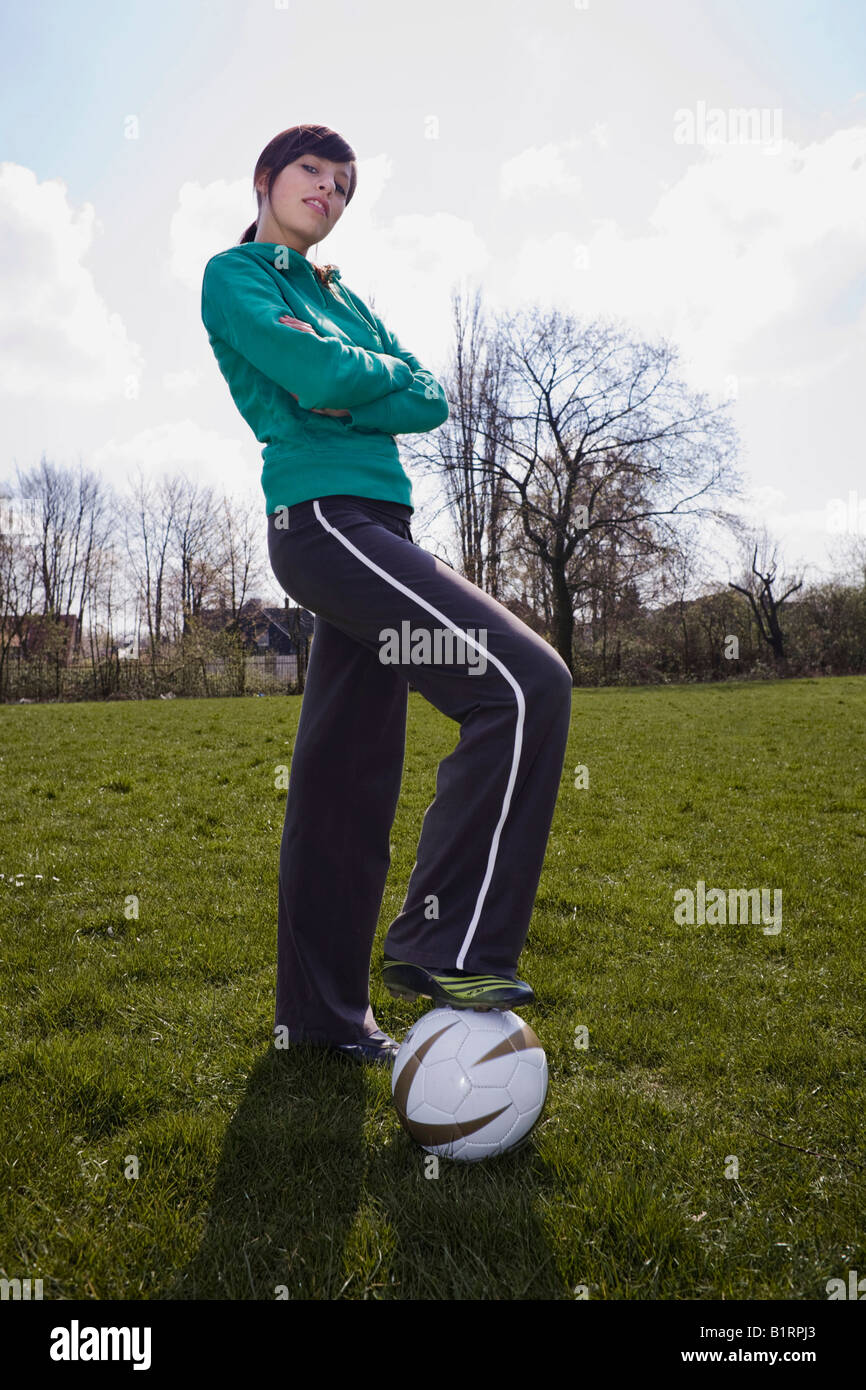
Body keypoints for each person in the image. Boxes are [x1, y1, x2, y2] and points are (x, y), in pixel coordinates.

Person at [200, 124, 573, 1067]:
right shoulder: (237, 277)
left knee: (344, 786)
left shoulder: (341, 296)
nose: (328, 190)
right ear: (266, 180)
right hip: (323, 527)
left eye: (344, 183)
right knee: (524, 686)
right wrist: (356, 385)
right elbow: (327, 377)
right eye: (312, 173)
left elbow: (428, 395)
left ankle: (322, 1020)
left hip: (380, 532)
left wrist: (348, 387)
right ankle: (450, 949)